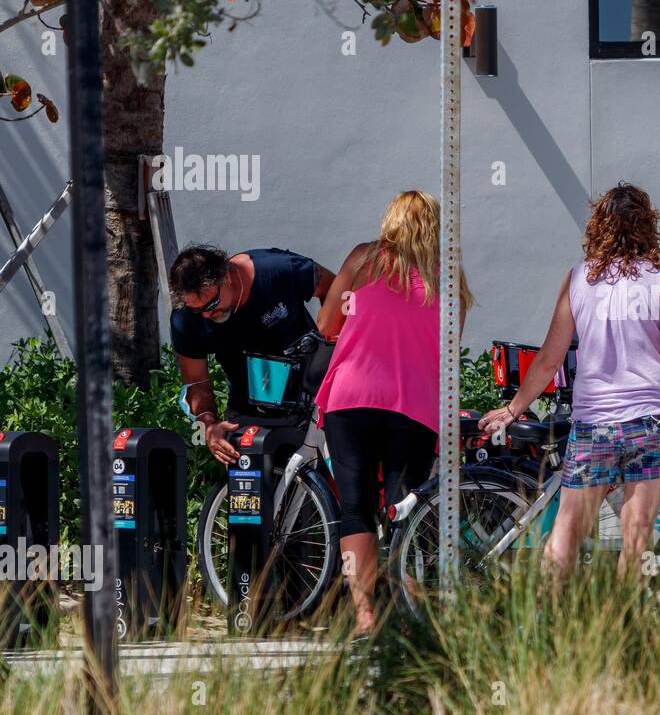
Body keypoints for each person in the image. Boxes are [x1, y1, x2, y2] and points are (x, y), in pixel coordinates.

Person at [479, 182, 660, 581]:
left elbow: (548, 360)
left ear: (598, 226)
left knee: (568, 528)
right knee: (638, 536)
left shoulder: (577, 280)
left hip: (595, 423)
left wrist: (512, 409)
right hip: (653, 421)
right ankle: (625, 626)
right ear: (648, 225)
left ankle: (548, 621)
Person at [314, 190, 473, 634]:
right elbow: (449, 344)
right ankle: (411, 611)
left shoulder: (365, 260)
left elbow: (327, 325)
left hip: (352, 400)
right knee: (407, 507)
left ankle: (365, 616)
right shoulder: (449, 280)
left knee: (356, 508)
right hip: (415, 407)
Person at [170, 244, 334, 464]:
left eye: (213, 303)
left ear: (227, 275)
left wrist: (327, 346)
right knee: (251, 492)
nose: (207, 314)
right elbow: (196, 383)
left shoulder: (276, 270)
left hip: (312, 402)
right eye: (197, 310)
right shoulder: (185, 319)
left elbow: (334, 289)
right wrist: (207, 424)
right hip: (248, 413)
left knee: (327, 486)